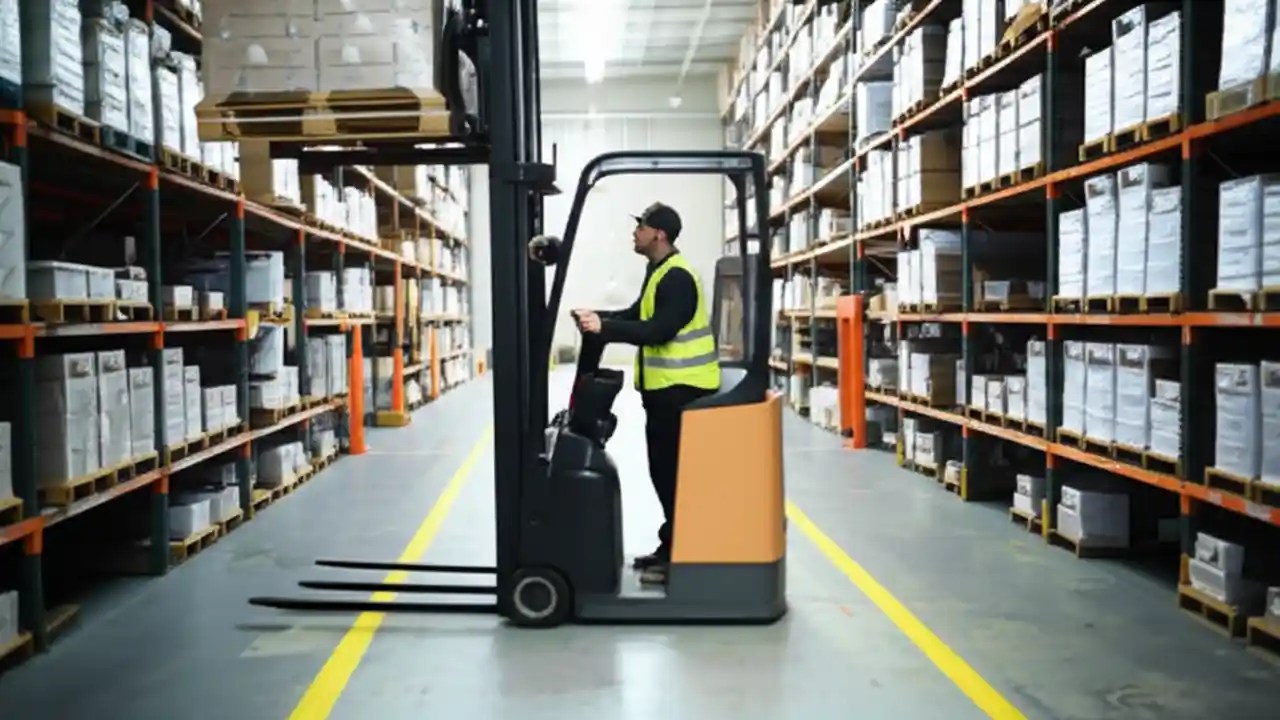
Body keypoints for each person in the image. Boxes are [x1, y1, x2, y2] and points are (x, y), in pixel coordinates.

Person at [571, 202, 720, 585]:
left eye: (641, 226)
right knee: (663, 473)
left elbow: (658, 331)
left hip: (682, 392)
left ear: (660, 234)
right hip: (664, 393)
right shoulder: (659, 272)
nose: (634, 232)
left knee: (673, 475)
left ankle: (682, 556)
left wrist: (605, 327)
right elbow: (638, 314)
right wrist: (600, 320)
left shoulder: (679, 278)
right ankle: (672, 545)